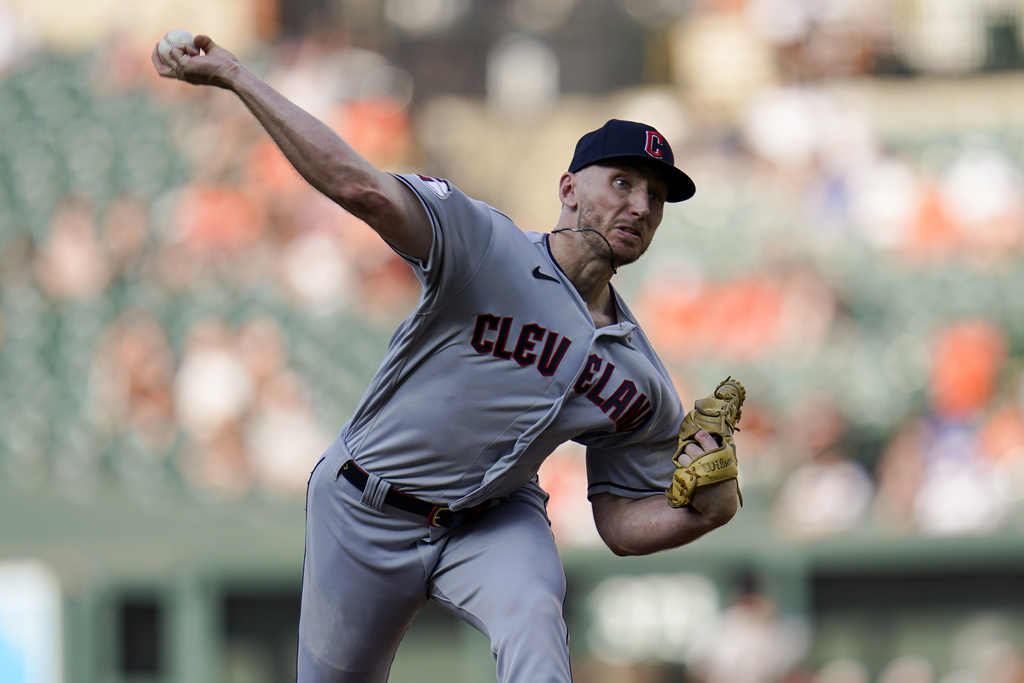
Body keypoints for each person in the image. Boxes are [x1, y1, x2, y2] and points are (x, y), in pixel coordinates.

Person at [152, 34, 741, 683]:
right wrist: (237, 76)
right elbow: (362, 189)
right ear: (569, 187)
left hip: (493, 520)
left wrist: (709, 509)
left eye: (656, 197)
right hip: (362, 508)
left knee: (534, 621)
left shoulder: (641, 376)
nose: (639, 205)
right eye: (623, 181)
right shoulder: (484, 244)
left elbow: (621, 524)